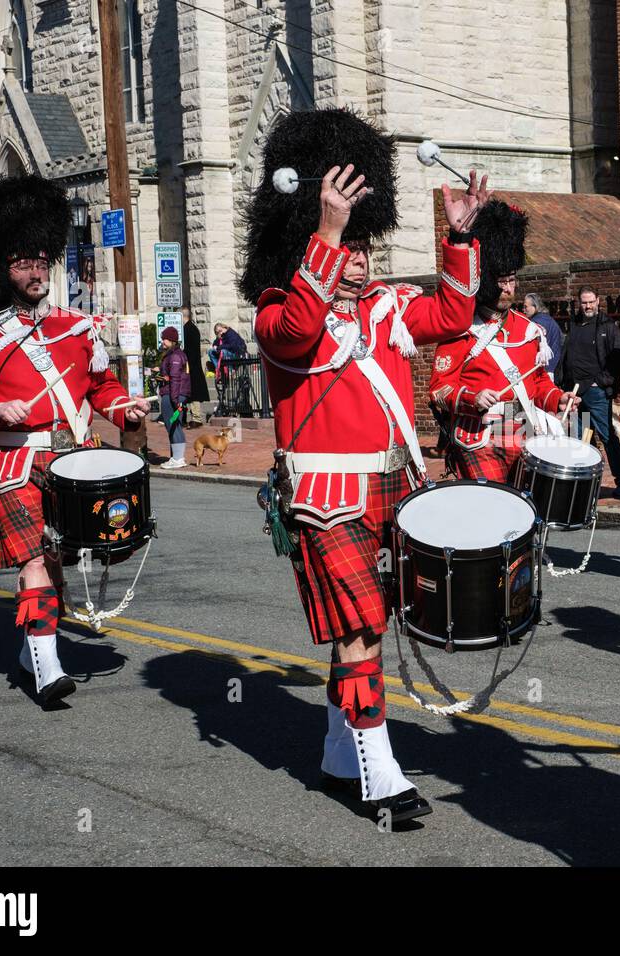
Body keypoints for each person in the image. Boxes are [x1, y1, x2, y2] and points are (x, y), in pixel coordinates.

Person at [241, 107, 486, 827]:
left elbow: (456, 315)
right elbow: (297, 333)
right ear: (310, 240)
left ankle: (338, 754)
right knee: (363, 627)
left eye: (362, 244)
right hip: (325, 495)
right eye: (349, 245)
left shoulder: (386, 309)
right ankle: (381, 776)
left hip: (395, 485)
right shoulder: (276, 309)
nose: (358, 257)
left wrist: (460, 236)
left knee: (373, 627)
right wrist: (325, 230)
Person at [0, 174, 149, 706]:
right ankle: (48, 668)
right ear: (0, 267)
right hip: (12, 461)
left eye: (40, 260)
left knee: (54, 562)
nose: (35, 272)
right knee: (35, 560)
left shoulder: (76, 328)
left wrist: (125, 406)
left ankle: (34, 649)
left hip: (70, 461)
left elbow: (101, 386)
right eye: (22, 262)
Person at [429, 201, 577, 482]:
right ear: (486, 282)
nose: (508, 289)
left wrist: (558, 398)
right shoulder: (460, 328)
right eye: (501, 282)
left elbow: (538, 385)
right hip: (480, 436)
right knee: (493, 515)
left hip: (525, 432)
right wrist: (473, 398)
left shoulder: (528, 330)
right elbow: (439, 388)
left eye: (512, 280)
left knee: (527, 517)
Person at [556, 287, 620, 494]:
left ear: (598, 301)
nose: (588, 306)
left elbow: (619, 359)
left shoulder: (608, 325)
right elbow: (565, 355)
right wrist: (562, 381)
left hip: (596, 392)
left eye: (591, 302)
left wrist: (602, 381)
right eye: (584, 302)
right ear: (579, 302)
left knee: (607, 435)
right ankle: (585, 481)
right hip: (575, 393)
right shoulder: (574, 324)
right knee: (581, 438)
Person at [153, 326, 192, 469]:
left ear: (172, 340)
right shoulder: (175, 355)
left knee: (173, 425)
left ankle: (178, 458)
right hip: (176, 394)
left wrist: (175, 400)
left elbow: (175, 378)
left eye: (165, 339)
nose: (162, 341)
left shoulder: (175, 356)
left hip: (172, 395)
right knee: (175, 425)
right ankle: (177, 457)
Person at [523, 293, 563, 372]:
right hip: (553, 366)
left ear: (535, 307)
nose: (523, 310)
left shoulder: (536, 323)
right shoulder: (548, 319)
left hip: (544, 369)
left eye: (525, 307)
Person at [182, 311, 209, 426]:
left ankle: (196, 418)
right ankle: (189, 417)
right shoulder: (190, 328)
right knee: (190, 393)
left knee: (193, 393)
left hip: (191, 366)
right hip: (191, 365)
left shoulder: (189, 329)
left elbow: (189, 350)